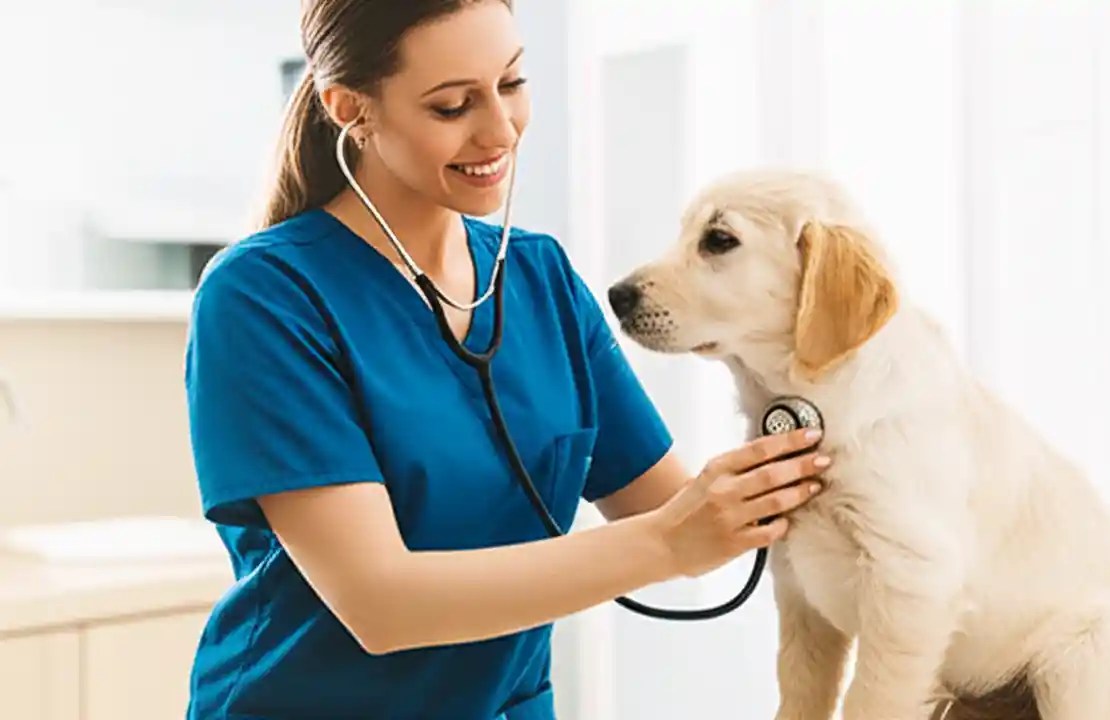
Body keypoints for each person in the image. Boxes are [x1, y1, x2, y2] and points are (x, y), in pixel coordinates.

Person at [183, 1, 828, 718]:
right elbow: (380, 603)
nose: (499, 130)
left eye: (512, 84)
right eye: (452, 105)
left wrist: (826, 386)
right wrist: (671, 542)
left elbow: (676, 508)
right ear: (350, 110)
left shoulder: (540, 279)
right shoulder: (264, 297)